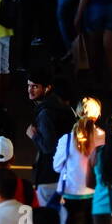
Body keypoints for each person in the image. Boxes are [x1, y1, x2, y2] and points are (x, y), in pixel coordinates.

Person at [54, 97, 104, 224]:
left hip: (72, 197)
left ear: (76, 114)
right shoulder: (102, 137)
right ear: (98, 115)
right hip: (96, 197)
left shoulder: (66, 139)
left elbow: (57, 166)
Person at [25, 67, 74, 205]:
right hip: (64, 172)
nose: (30, 90)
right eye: (29, 85)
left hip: (48, 173)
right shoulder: (60, 106)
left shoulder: (45, 113)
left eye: (35, 86)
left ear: (47, 88)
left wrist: (33, 136)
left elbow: (48, 147)